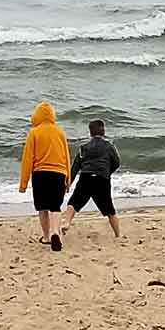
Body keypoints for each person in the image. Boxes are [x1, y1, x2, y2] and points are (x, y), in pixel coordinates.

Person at [19, 101, 71, 251]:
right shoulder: (60, 132)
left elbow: (27, 159)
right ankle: (56, 232)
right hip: (59, 173)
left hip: (40, 174)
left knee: (42, 207)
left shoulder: (34, 132)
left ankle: (47, 236)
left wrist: (23, 184)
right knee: (55, 206)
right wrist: (68, 180)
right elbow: (66, 156)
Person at [62, 119, 121, 237]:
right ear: (103, 131)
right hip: (102, 179)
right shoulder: (109, 146)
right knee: (109, 209)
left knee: (73, 202)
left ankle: (67, 222)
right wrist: (107, 172)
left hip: (86, 177)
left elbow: (75, 167)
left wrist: (68, 184)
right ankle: (118, 234)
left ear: (90, 133)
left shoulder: (83, 147)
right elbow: (116, 162)